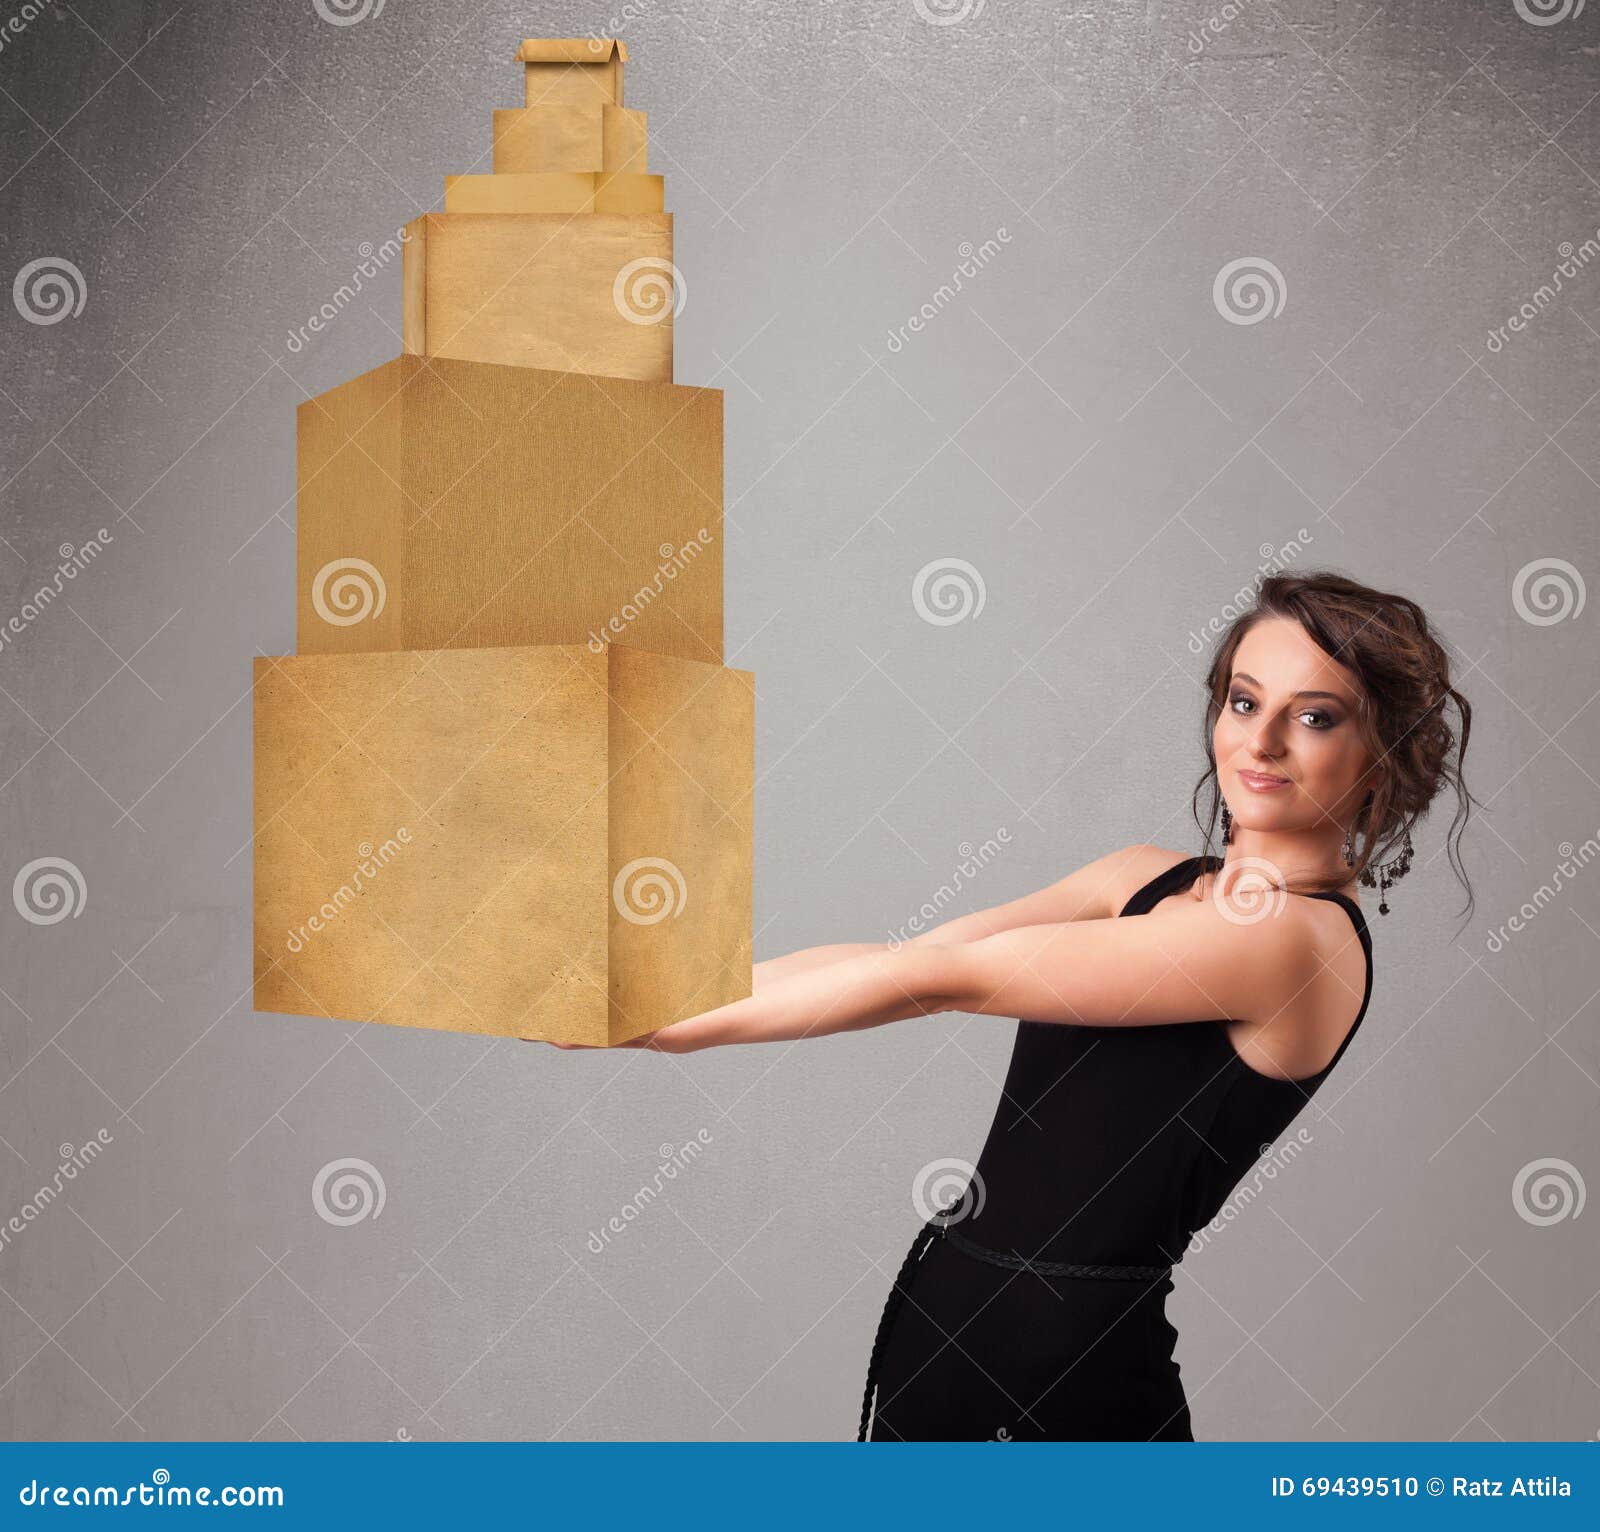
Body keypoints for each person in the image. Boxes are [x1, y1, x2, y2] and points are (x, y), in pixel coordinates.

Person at [548, 570, 1475, 1441]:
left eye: (1313, 717)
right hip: (944, 1332)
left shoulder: (1294, 944)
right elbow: (916, 955)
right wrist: (644, 993)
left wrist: (666, 1030)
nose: (1261, 742)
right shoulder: (1142, 877)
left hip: (1071, 1378)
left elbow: (955, 980)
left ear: (1384, 752)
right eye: (1244, 700)